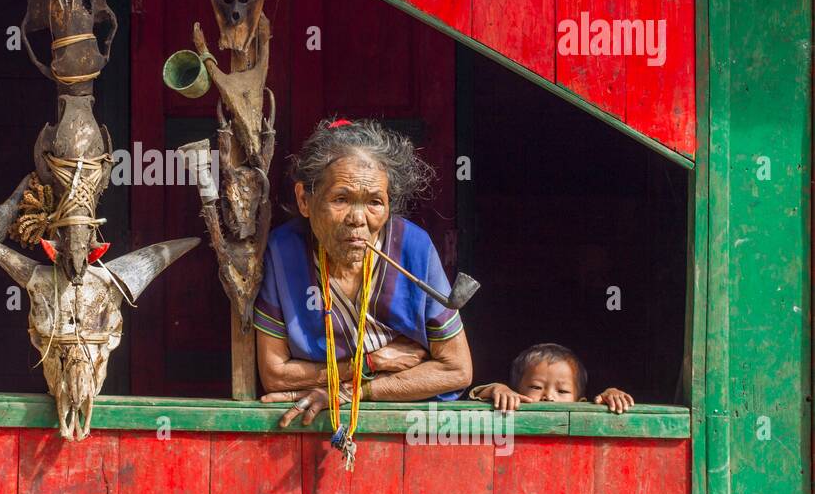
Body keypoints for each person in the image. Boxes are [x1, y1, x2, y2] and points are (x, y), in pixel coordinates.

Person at [255, 118, 473, 429]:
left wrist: (351, 389)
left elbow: (457, 370)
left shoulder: (413, 247)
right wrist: (371, 363)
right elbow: (275, 374)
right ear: (305, 199)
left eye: (374, 202)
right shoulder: (283, 252)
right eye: (341, 199)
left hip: (411, 429)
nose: (358, 219)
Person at [468, 343, 635, 413]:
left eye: (562, 390)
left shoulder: (582, 408)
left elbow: (598, 403)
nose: (548, 397)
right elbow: (480, 394)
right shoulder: (510, 398)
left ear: (580, 401)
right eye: (536, 387)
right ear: (516, 391)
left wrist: (610, 395)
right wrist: (499, 389)